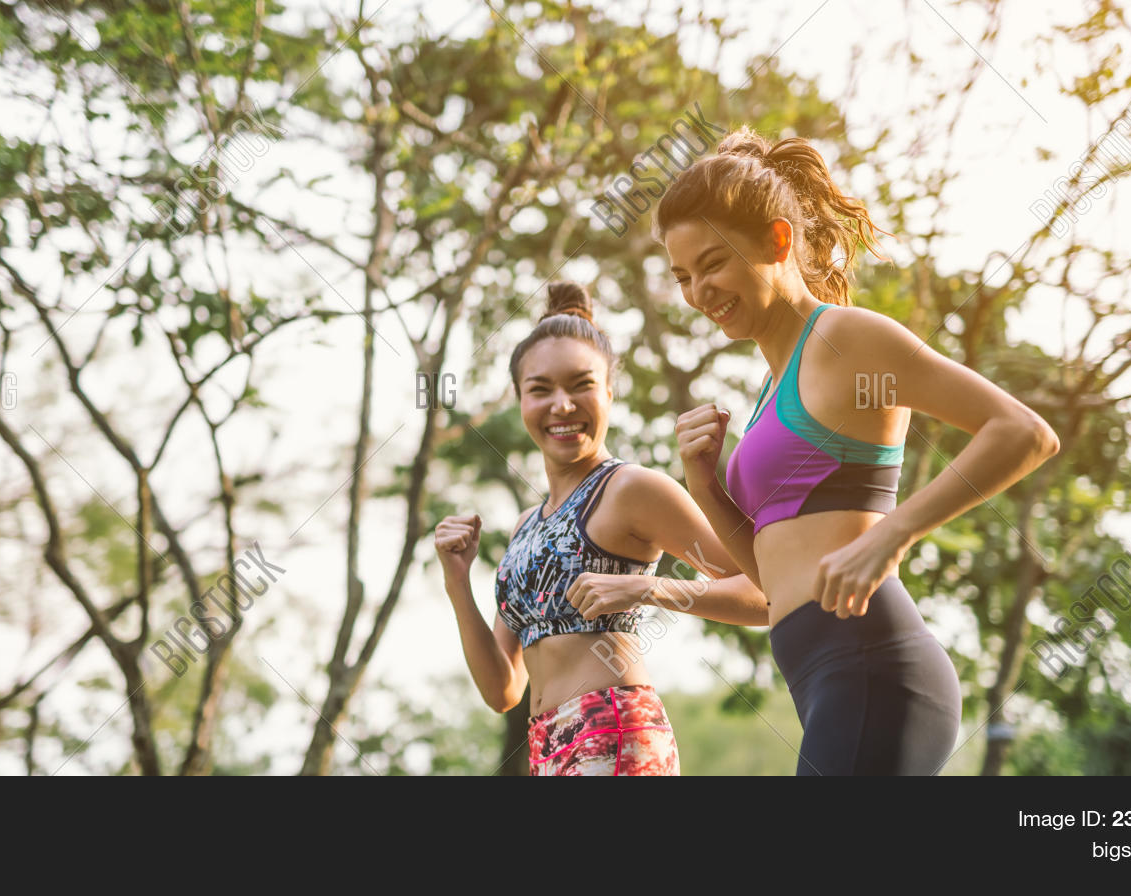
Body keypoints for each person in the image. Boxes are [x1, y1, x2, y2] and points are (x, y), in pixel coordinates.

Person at [654, 127, 1060, 775]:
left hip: (873, 666)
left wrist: (892, 534)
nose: (699, 292)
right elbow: (772, 583)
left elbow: (1021, 432)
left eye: (713, 263)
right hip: (823, 679)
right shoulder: (767, 390)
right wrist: (705, 485)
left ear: (777, 240)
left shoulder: (847, 341)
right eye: (682, 276)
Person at [435, 281, 770, 776]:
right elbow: (502, 690)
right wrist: (456, 580)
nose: (562, 406)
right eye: (541, 389)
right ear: (519, 399)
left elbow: (766, 594)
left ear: (609, 392)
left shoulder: (631, 489)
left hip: (613, 730)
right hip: (545, 747)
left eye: (581, 384)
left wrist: (648, 588)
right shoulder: (527, 525)